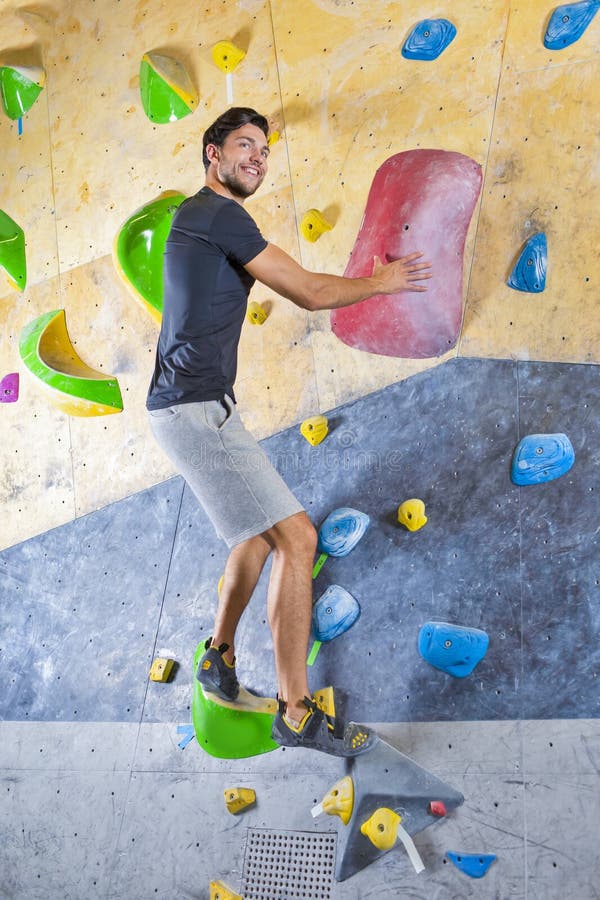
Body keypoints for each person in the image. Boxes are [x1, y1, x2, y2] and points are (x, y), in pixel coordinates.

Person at [146, 107, 431, 757]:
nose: (259, 157)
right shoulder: (219, 214)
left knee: (254, 537)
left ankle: (218, 656)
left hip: (192, 407)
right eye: (244, 146)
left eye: (264, 149)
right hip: (195, 410)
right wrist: (383, 281)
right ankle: (296, 712)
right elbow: (307, 290)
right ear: (210, 155)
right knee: (296, 539)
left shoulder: (202, 217)